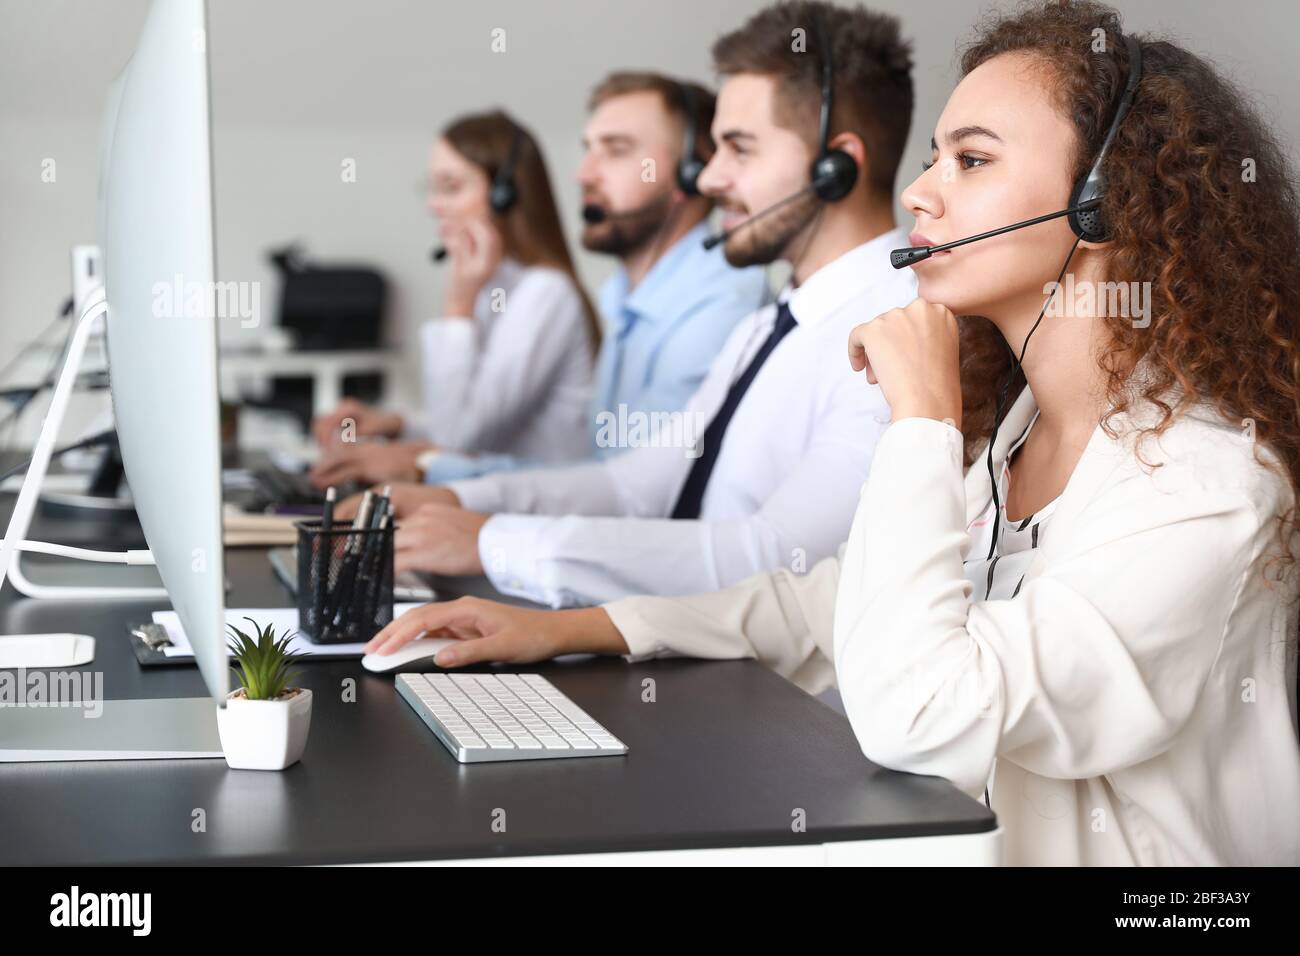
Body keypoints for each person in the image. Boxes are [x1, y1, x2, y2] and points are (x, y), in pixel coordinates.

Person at [365, 0, 1300, 867]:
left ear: (1104, 203)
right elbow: (834, 603)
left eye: (970, 162)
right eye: (934, 158)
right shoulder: (1016, 435)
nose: (920, 196)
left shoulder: (1206, 478)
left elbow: (923, 711)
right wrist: (575, 628)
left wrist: (923, 420)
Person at [346, 1, 918, 609]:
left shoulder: (897, 329)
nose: (707, 179)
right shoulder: (772, 323)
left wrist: (493, 542)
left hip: (777, 697)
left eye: (740, 149)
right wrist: (460, 502)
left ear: (837, 167)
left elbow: (775, 557)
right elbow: (637, 485)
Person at [308, 110, 599, 487]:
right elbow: (476, 415)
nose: (433, 204)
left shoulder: (544, 292)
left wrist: (457, 304)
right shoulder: (497, 286)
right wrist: (395, 424)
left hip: (537, 517)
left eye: (450, 186)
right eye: (431, 187)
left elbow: (460, 436)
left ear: (503, 195)